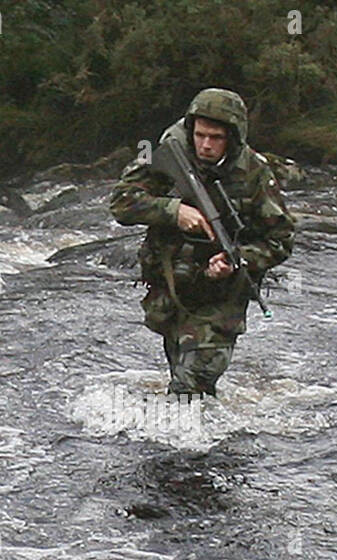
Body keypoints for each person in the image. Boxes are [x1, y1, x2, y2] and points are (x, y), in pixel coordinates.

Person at [110, 88, 294, 395]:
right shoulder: (166, 152)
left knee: (190, 385)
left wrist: (237, 259)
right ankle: (197, 435)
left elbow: (281, 239)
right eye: (200, 135)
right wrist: (173, 210)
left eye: (216, 137)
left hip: (222, 297)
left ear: (233, 137)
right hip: (174, 286)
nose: (206, 145)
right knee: (183, 377)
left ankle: (182, 435)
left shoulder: (255, 173)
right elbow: (121, 203)